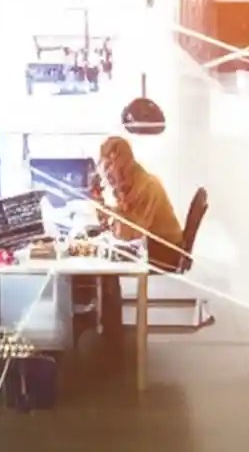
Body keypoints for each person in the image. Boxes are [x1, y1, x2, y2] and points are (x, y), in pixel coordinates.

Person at [83, 136, 184, 348]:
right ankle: (110, 331)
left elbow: (131, 234)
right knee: (104, 261)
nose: (106, 171)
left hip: (164, 250)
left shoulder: (146, 186)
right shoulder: (131, 183)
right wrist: (102, 205)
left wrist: (109, 213)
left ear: (121, 162)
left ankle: (112, 338)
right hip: (149, 244)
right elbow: (124, 225)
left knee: (105, 264)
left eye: (109, 164)